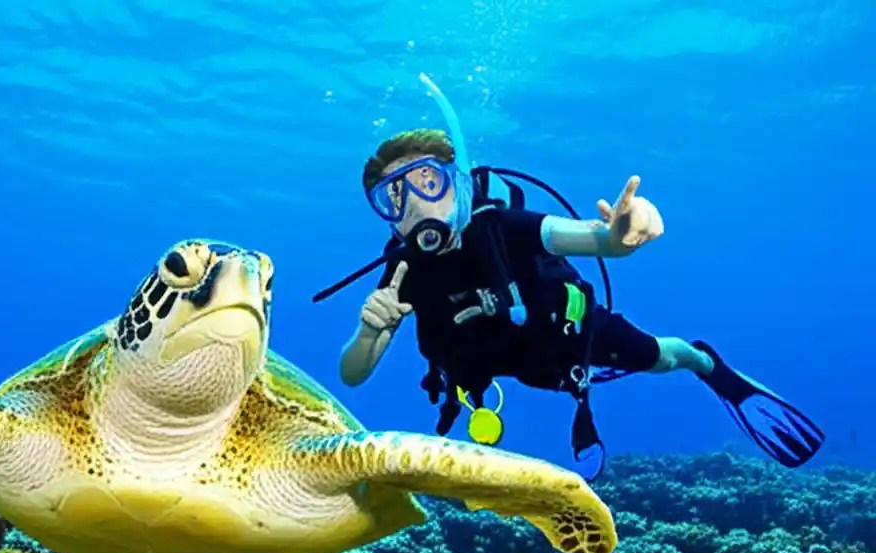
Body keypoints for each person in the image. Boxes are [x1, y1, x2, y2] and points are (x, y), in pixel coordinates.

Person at [315, 73, 824, 479]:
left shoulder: (504, 228)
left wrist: (626, 229)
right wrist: (367, 332)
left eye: (427, 181)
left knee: (663, 357)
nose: (413, 205)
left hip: (569, 338)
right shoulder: (403, 270)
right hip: (509, 366)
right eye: (393, 196)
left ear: (461, 183)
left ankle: (704, 360)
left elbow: (594, 239)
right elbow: (352, 374)